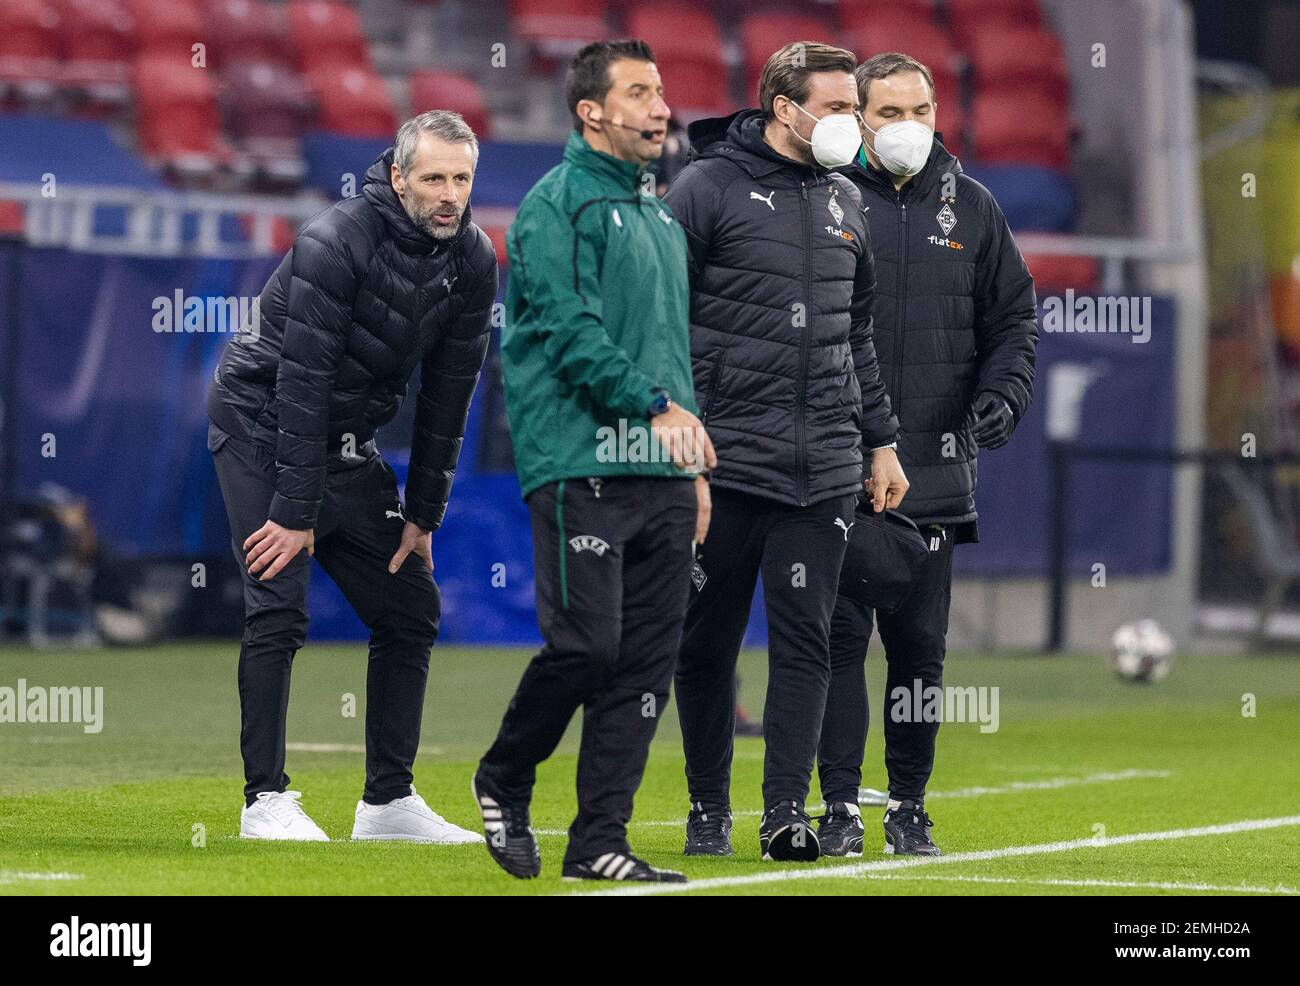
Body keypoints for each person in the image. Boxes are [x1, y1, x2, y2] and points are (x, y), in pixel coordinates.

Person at [207, 111, 497, 843]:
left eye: (461, 179)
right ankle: (263, 803)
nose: (448, 194)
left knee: (411, 609)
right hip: (260, 421)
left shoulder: (472, 258)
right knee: (278, 605)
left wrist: (423, 513)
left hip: (342, 437)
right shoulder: (334, 240)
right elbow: (302, 383)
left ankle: (388, 804)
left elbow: (448, 394)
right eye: (432, 177)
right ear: (398, 178)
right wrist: (297, 510)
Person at [473, 40, 716, 883]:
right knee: (585, 648)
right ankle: (503, 775)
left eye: (662, 91)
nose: (661, 108)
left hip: (662, 477)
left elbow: (672, 353)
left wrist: (691, 466)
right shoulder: (555, 205)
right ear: (592, 111)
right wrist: (656, 410)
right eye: (641, 93)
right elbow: (573, 335)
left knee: (647, 669)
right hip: (582, 462)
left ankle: (599, 843)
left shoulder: (657, 214)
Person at [663, 41, 906, 862]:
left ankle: (784, 815)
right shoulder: (704, 188)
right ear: (783, 108)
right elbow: (660, 318)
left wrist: (881, 441)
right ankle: (706, 808)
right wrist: (679, 425)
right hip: (723, 464)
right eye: (836, 106)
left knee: (806, 643)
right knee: (706, 643)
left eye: (852, 106)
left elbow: (856, 333)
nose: (850, 121)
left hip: (823, 466)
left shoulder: (847, 201)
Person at [815, 53, 1038, 857]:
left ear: (938, 114)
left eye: (920, 111)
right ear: (858, 119)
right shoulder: (825, 201)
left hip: (937, 475)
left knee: (919, 654)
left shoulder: (974, 210)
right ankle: (838, 807)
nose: (906, 128)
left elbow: (1016, 322)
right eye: (888, 113)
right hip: (837, 468)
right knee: (836, 643)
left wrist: (1003, 397)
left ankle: (908, 806)